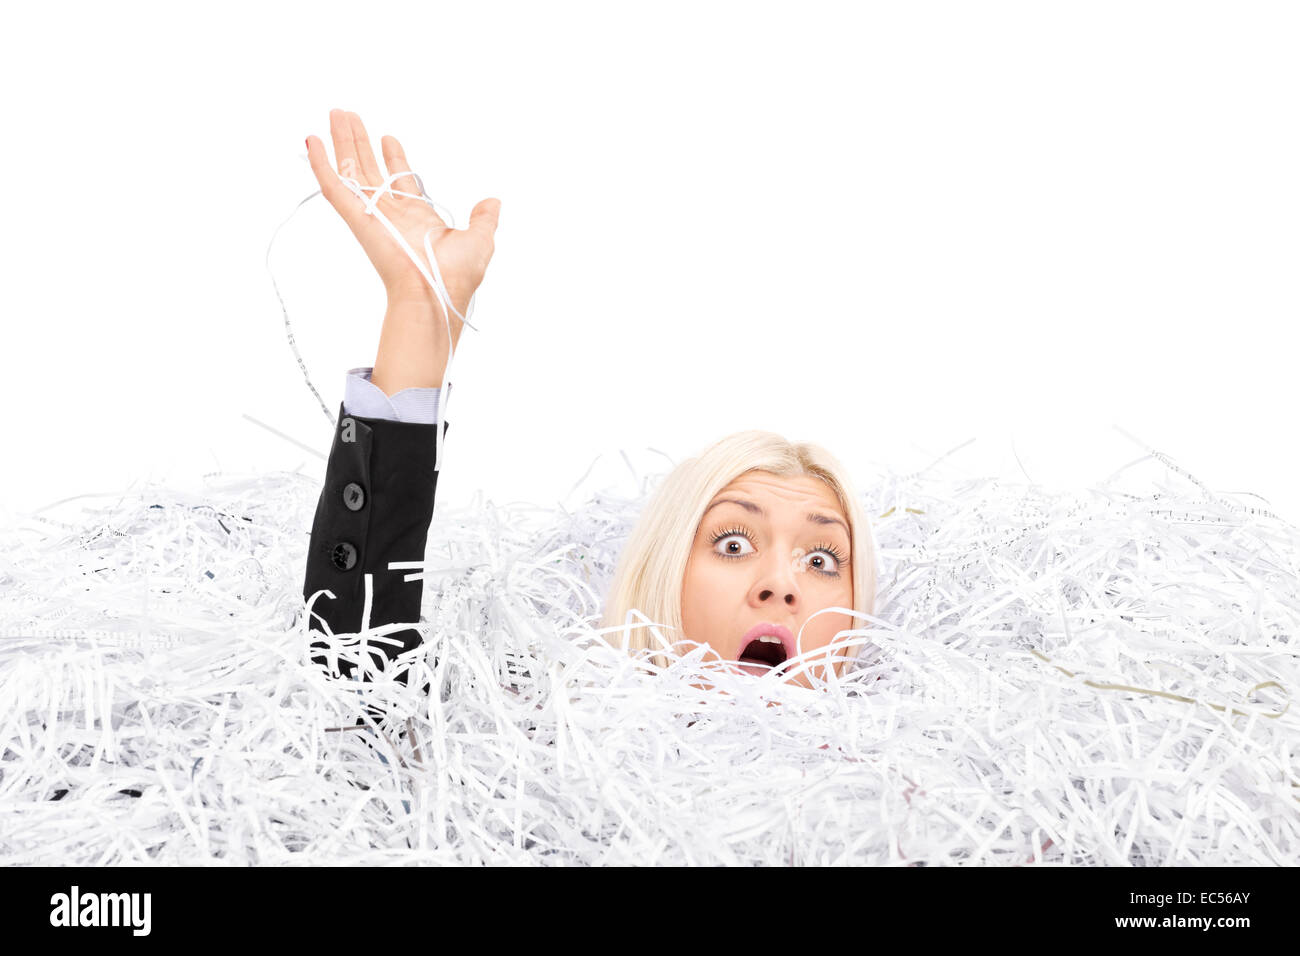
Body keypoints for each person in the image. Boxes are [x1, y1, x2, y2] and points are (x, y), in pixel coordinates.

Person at [301, 109, 877, 695]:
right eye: (732, 543)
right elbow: (358, 693)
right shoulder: (540, 750)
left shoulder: (931, 781)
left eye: (823, 559)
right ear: (660, 578)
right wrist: (419, 311)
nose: (780, 585)